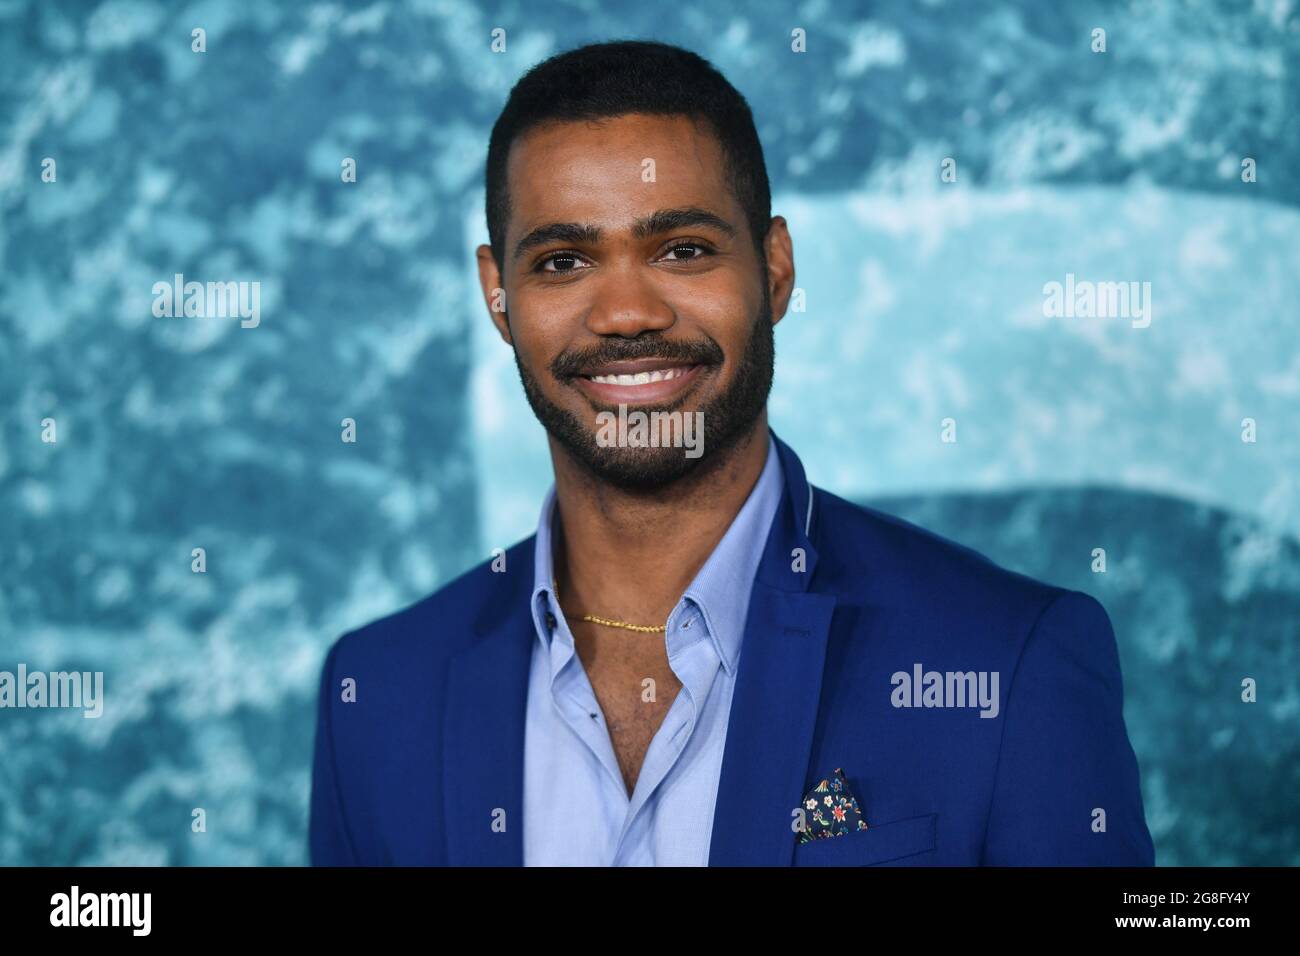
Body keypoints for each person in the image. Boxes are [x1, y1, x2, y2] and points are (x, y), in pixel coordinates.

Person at [309, 40, 1154, 866]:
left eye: (682, 250)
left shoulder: (1007, 661)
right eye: (564, 261)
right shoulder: (377, 693)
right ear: (499, 295)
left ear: (775, 268)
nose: (627, 313)